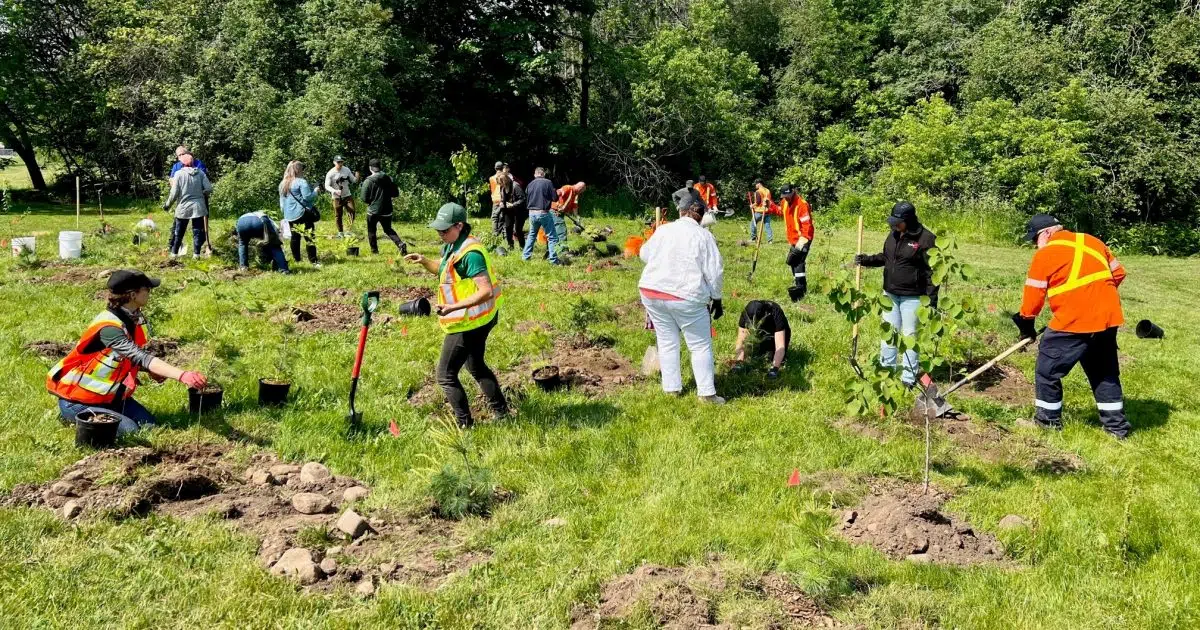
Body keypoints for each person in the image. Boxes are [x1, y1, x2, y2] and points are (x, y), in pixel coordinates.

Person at [47, 270, 208, 435]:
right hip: (79, 400)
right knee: (130, 431)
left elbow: (126, 358)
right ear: (133, 295)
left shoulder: (130, 319)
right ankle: (73, 416)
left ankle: (99, 416)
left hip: (111, 399)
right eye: (147, 289)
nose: (150, 293)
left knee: (149, 427)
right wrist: (182, 375)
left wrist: (150, 370)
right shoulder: (109, 328)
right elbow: (140, 357)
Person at [1012, 213, 1130, 439]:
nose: (1035, 245)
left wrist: (1026, 324)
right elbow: (1118, 273)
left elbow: (1033, 297)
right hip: (1107, 318)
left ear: (1046, 233)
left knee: (1047, 370)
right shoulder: (1093, 241)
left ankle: (1047, 423)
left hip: (1073, 321)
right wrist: (1095, 295)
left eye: (1035, 239)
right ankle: (1116, 428)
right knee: (1104, 372)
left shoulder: (1046, 254)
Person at [403, 203, 508, 428]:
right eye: (438, 230)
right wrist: (423, 261)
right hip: (477, 318)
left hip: (469, 322)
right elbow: (444, 268)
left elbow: (486, 291)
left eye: (444, 230)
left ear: (459, 225)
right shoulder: (453, 246)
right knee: (476, 366)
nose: (440, 234)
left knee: (445, 375)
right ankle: (502, 413)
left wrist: (454, 307)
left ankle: (465, 425)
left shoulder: (470, 255)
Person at [638, 188, 725, 404]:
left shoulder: (663, 230)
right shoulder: (704, 236)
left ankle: (672, 390)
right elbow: (715, 271)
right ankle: (706, 394)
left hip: (652, 292)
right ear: (697, 212)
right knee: (699, 344)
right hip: (686, 297)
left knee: (667, 342)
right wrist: (717, 297)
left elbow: (644, 255)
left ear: (682, 212)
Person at [854, 201, 938, 386]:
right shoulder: (893, 235)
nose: (893, 225)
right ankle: (887, 373)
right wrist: (866, 260)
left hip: (913, 297)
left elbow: (933, 272)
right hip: (890, 294)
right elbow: (887, 257)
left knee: (909, 336)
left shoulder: (925, 239)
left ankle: (908, 379)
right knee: (889, 334)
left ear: (908, 220)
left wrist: (931, 301)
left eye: (897, 222)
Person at [163, 153, 212, 259]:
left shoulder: (178, 174)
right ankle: (196, 254)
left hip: (183, 207)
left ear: (182, 163)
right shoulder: (200, 173)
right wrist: (201, 194)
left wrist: (167, 205)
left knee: (179, 232)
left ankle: (174, 253)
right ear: (192, 162)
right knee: (197, 231)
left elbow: (174, 193)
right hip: (198, 207)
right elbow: (209, 189)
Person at [360, 158, 408, 255]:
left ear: (370, 168)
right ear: (379, 167)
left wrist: (371, 201)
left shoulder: (368, 181)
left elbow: (364, 198)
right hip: (387, 210)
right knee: (388, 229)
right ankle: (400, 244)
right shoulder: (388, 178)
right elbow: (395, 193)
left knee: (372, 230)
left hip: (373, 211)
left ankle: (375, 252)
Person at [732, 300, 790, 378]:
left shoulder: (775, 312)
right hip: (760, 333)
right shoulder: (746, 313)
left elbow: (780, 345)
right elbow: (741, 340)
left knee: (773, 358)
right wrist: (738, 363)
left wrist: (774, 369)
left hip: (775, 330)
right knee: (758, 355)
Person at [280, 160, 321, 268]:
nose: (303, 171)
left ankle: (297, 260)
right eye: (302, 168)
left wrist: (285, 214)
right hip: (302, 213)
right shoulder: (301, 182)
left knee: (295, 237)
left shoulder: (283, 183)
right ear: (298, 170)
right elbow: (308, 197)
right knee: (309, 236)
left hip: (289, 215)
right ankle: (314, 261)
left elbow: (282, 203)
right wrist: (316, 191)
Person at [779, 185, 814, 301]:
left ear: (793, 192)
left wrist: (803, 241)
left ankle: (801, 290)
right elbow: (780, 212)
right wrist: (770, 207)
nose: (786, 198)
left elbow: (807, 225)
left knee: (798, 263)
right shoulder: (784, 202)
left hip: (803, 238)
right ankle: (797, 285)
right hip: (792, 238)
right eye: (784, 196)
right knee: (792, 261)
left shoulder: (802, 204)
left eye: (788, 196)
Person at [522, 167, 562, 264]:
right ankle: (553, 260)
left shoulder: (530, 184)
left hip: (531, 213)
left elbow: (526, 197)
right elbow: (554, 198)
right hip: (543, 212)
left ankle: (525, 257)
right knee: (552, 237)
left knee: (532, 235)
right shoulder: (548, 182)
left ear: (535, 174)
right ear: (543, 174)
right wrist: (557, 192)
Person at [324, 155, 358, 237]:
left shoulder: (346, 169)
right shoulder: (330, 173)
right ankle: (340, 232)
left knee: (352, 212)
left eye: (341, 162)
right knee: (338, 215)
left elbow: (353, 180)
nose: (340, 163)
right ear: (334, 162)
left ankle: (349, 231)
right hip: (336, 197)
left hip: (347, 195)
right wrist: (335, 191)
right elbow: (326, 186)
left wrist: (357, 176)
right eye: (338, 162)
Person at [501, 165, 527, 252]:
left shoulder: (516, 186)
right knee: (508, 227)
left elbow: (523, 199)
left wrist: (513, 205)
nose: (501, 185)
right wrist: (502, 203)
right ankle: (510, 246)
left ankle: (522, 246)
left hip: (518, 211)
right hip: (508, 211)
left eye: (502, 183)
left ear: (506, 182)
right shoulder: (503, 188)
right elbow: (503, 198)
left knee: (518, 229)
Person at [552, 181, 586, 246]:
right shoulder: (567, 188)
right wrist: (557, 206)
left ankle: (553, 249)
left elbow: (574, 205)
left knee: (555, 230)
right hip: (555, 211)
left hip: (561, 213)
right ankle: (563, 251)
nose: (581, 193)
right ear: (580, 188)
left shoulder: (575, 194)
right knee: (562, 231)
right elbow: (556, 194)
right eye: (581, 191)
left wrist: (576, 217)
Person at [489, 161, 512, 236]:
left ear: (495, 168)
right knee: (504, 217)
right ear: (502, 168)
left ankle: (495, 234)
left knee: (495, 217)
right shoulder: (505, 177)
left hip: (495, 200)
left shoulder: (491, 178)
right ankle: (505, 234)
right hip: (504, 200)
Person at [749, 179, 774, 244]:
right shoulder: (767, 190)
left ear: (759, 184)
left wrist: (752, 205)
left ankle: (753, 238)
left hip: (759, 211)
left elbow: (758, 202)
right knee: (767, 225)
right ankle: (770, 240)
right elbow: (769, 200)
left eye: (756, 184)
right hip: (767, 211)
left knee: (753, 224)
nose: (755, 185)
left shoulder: (758, 191)